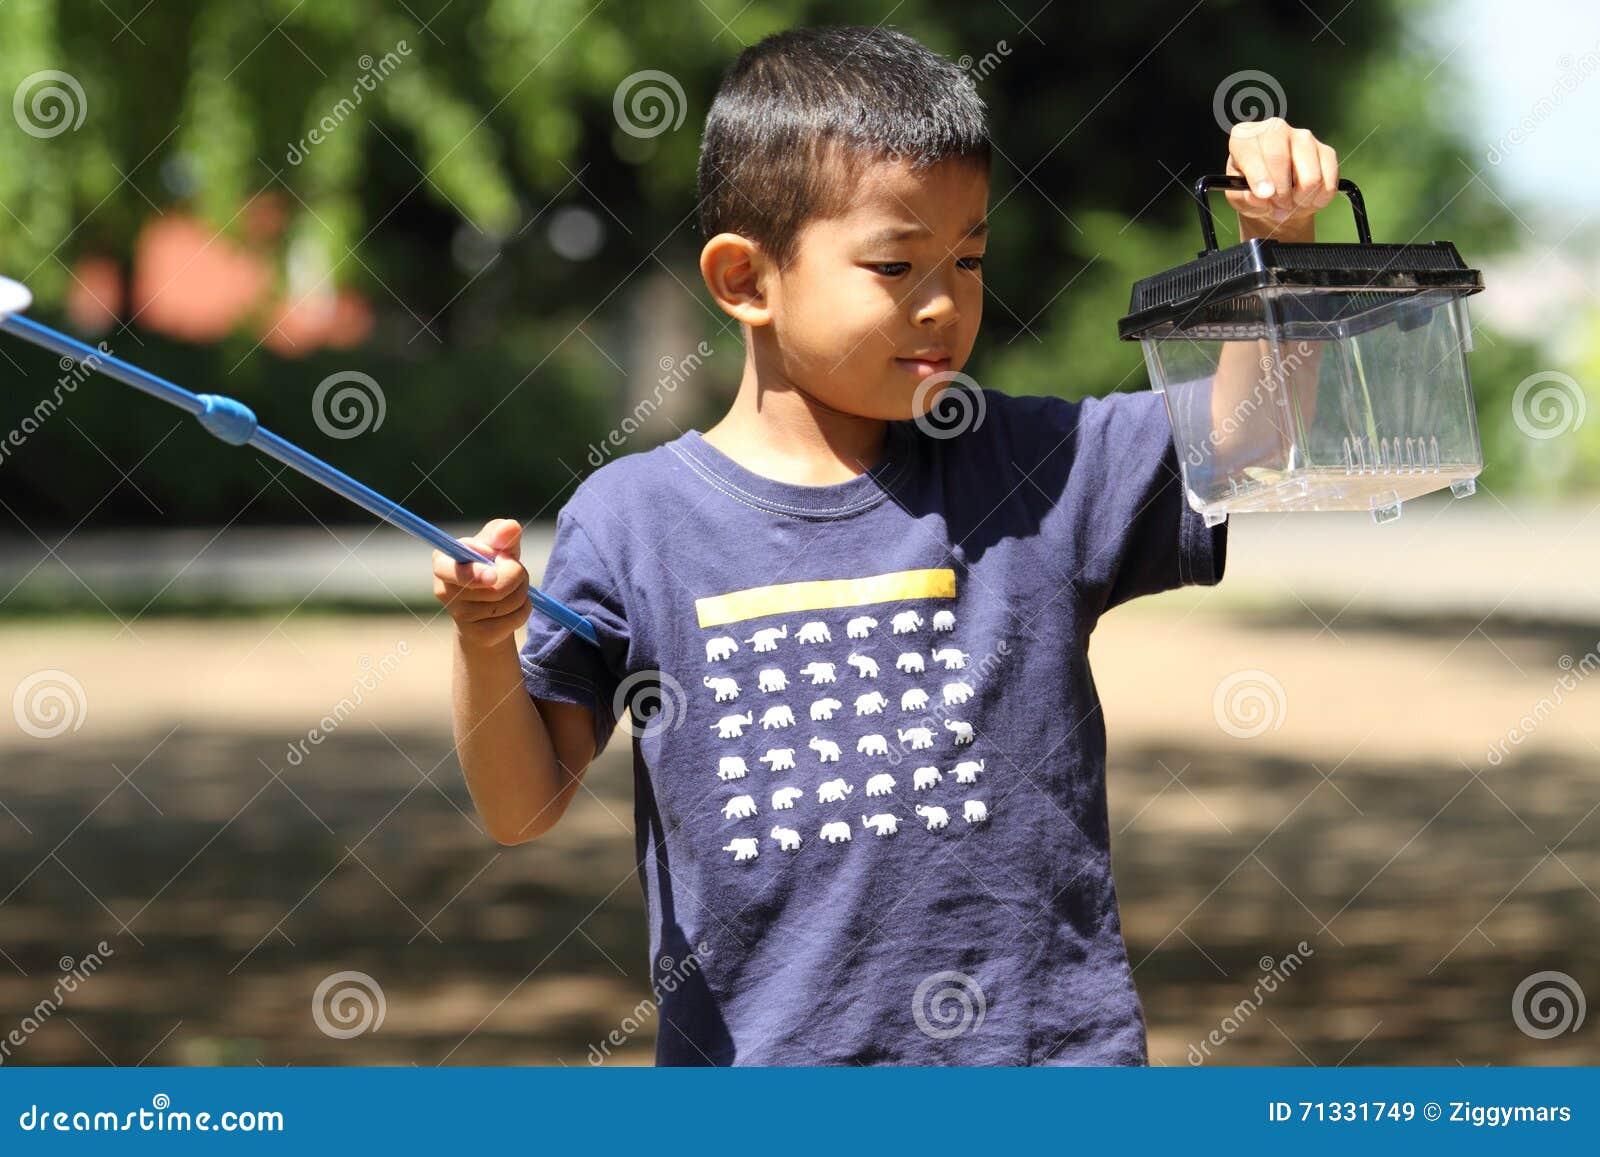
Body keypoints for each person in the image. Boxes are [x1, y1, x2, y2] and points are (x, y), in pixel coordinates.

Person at [432, 25, 1339, 1065]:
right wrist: (482, 640)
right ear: (744, 280)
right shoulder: (632, 519)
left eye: (968, 256)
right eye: (896, 263)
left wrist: (1287, 236)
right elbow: (521, 800)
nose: (945, 301)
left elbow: (1250, 433)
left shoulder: (1032, 466)